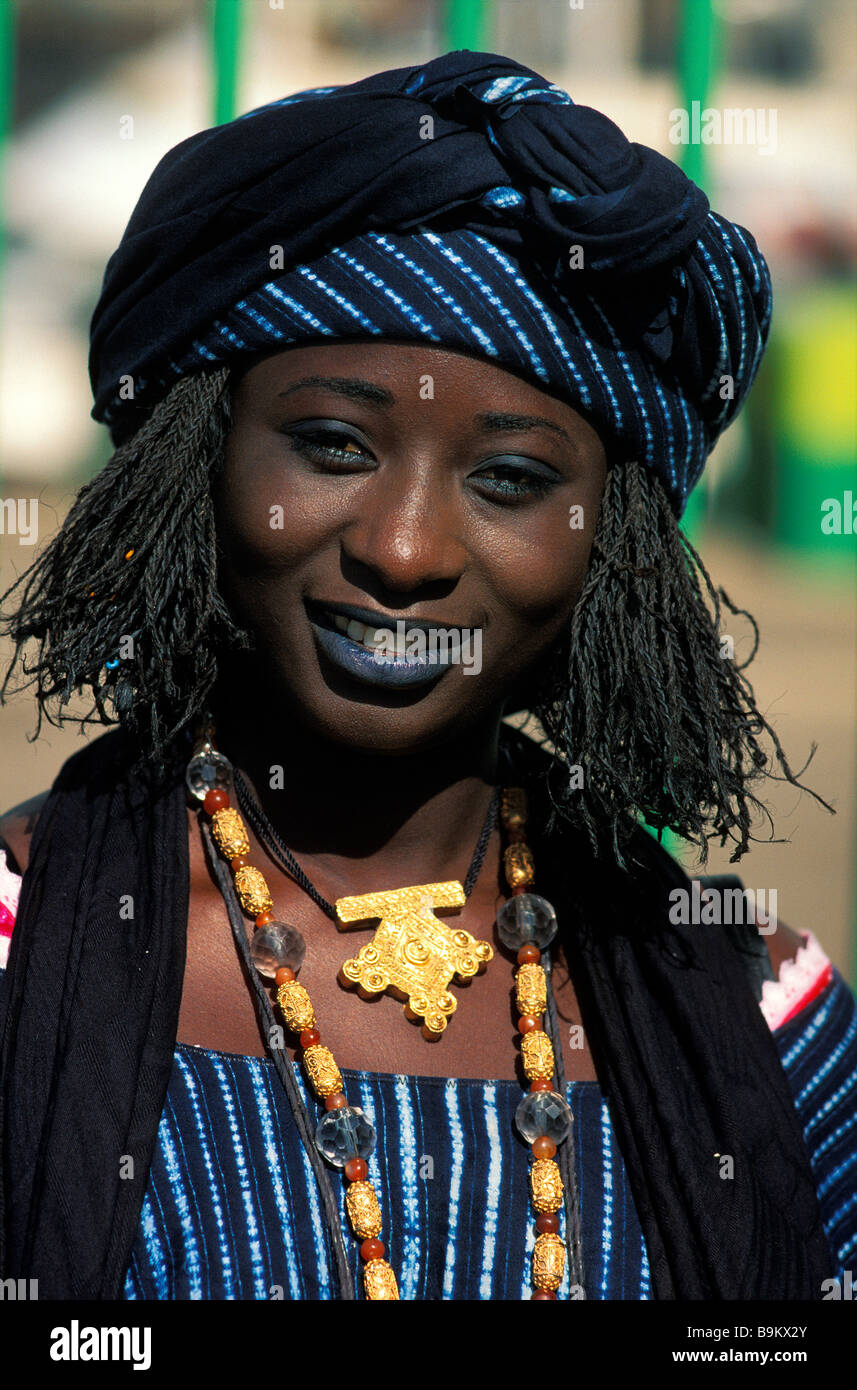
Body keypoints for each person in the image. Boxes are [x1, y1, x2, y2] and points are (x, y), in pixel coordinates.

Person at [0, 50, 854, 1303]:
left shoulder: (757, 1005)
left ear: (608, 545)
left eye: (509, 480)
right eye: (331, 444)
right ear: (195, 467)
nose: (402, 551)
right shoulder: (21, 953)